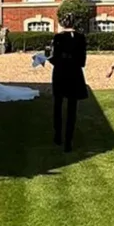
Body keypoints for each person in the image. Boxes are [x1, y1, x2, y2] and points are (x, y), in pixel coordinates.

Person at [45, 14, 88, 152]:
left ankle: (58, 135)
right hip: (75, 73)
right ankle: (69, 141)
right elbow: (82, 62)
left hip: (61, 73)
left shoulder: (58, 38)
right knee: (72, 108)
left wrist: (46, 58)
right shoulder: (81, 38)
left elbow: (54, 58)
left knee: (58, 105)